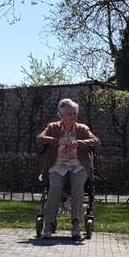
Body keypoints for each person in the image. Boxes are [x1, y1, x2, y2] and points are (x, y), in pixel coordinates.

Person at [37, 98, 99, 241]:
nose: (73, 116)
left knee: (78, 186)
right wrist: (58, 141)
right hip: (58, 166)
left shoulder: (82, 128)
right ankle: (49, 224)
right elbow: (40, 138)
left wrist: (79, 143)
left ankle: (76, 225)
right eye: (69, 113)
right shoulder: (53, 127)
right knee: (55, 186)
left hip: (78, 165)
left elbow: (95, 140)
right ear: (61, 114)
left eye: (74, 113)